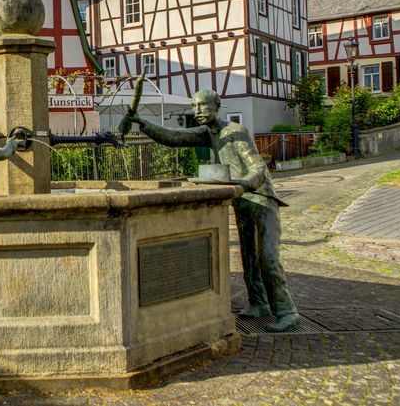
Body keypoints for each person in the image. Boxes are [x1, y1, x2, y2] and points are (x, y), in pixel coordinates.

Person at [127, 89, 300, 332]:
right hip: (241, 200)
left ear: (216, 106)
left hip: (261, 199)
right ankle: (259, 302)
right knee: (249, 257)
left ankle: (287, 311)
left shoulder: (234, 131)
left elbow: (258, 167)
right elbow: (174, 137)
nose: (196, 112)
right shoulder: (209, 133)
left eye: (202, 106)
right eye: (194, 107)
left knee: (268, 258)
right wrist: (142, 123)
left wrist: (243, 184)